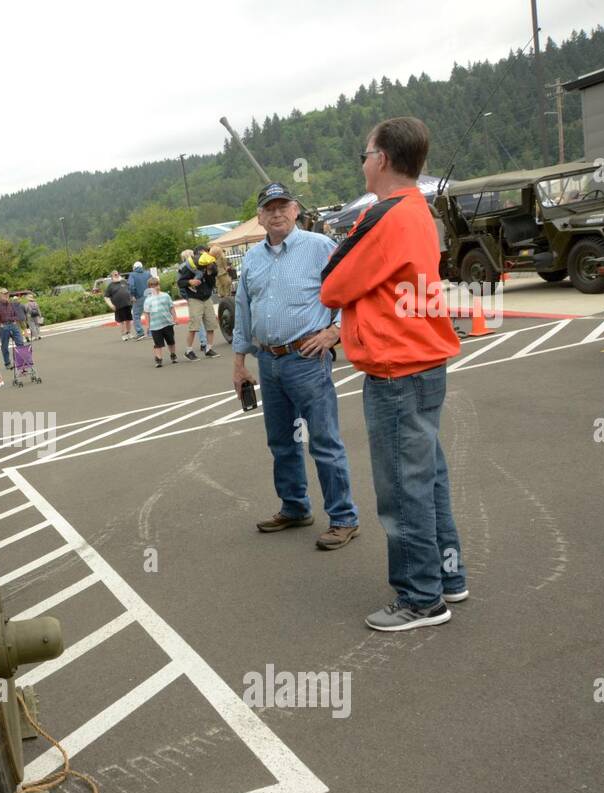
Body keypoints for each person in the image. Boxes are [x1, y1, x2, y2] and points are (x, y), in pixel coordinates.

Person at [320, 116, 465, 632]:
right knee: (428, 478)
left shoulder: (383, 215)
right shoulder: (417, 211)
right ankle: (448, 575)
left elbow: (332, 284)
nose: (362, 163)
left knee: (403, 489)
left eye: (364, 154)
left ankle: (421, 597)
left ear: (381, 159)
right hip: (424, 362)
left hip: (395, 369)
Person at [232, 182, 360, 552]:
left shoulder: (319, 248)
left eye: (282, 206)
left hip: (306, 359)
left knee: (323, 441)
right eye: (268, 208)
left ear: (295, 210)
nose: (276, 213)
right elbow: (243, 310)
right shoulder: (252, 259)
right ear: (259, 216)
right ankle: (295, 507)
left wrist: (335, 331)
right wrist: (240, 362)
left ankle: (343, 518)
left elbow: (349, 292)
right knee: (281, 442)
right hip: (268, 361)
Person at [178, 249, 220, 360]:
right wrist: (190, 282)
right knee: (194, 326)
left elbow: (212, 284)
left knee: (211, 324)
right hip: (194, 299)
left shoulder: (212, 267)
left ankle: (208, 349)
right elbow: (180, 282)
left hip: (207, 298)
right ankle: (188, 351)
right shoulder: (190, 267)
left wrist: (210, 275)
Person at [142, 276, 178, 367]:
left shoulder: (165, 296)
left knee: (171, 341)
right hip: (155, 326)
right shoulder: (148, 300)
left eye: (156, 285)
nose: (155, 287)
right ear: (149, 288)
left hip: (167, 323)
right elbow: (147, 314)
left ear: (159, 285)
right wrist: (147, 326)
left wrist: (175, 318)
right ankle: (159, 359)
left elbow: (171, 307)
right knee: (158, 344)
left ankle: (173, 355)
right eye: (152, 286)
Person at [0, 287, 27, 370]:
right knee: (5, 346)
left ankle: (21, 362)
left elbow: (16, 314)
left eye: (7, 293)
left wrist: (14, 320)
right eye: (4, 294)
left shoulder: (11, 303)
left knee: (20, 342)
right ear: (0, 295)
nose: (6, 295)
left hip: (12, 324)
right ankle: (7, 363)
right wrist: (0, 325)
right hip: (3, 326)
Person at [104, 271, 135, 341]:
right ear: (112, 277)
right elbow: (106, 297)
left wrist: (132, 297)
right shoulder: (110, 286)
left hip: (127, 304)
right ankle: (123, 335)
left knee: (128, 320)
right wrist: (111, 305)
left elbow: (130, 290)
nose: (117, 275)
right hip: (118, 306)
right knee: (121, 321)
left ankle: (129, 333)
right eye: (115, 275)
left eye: (117, 274)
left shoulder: (124, 282)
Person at [128, 261, 151, 340]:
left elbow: (131, 286)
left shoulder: (132, 275)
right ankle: (151, 332)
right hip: (148, 296)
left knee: (136, 315)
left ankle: (140, 332)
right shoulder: (148, 273)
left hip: (139, 297)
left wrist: (132, 295)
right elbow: (152, 283)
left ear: (134, 268)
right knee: (149, 314)